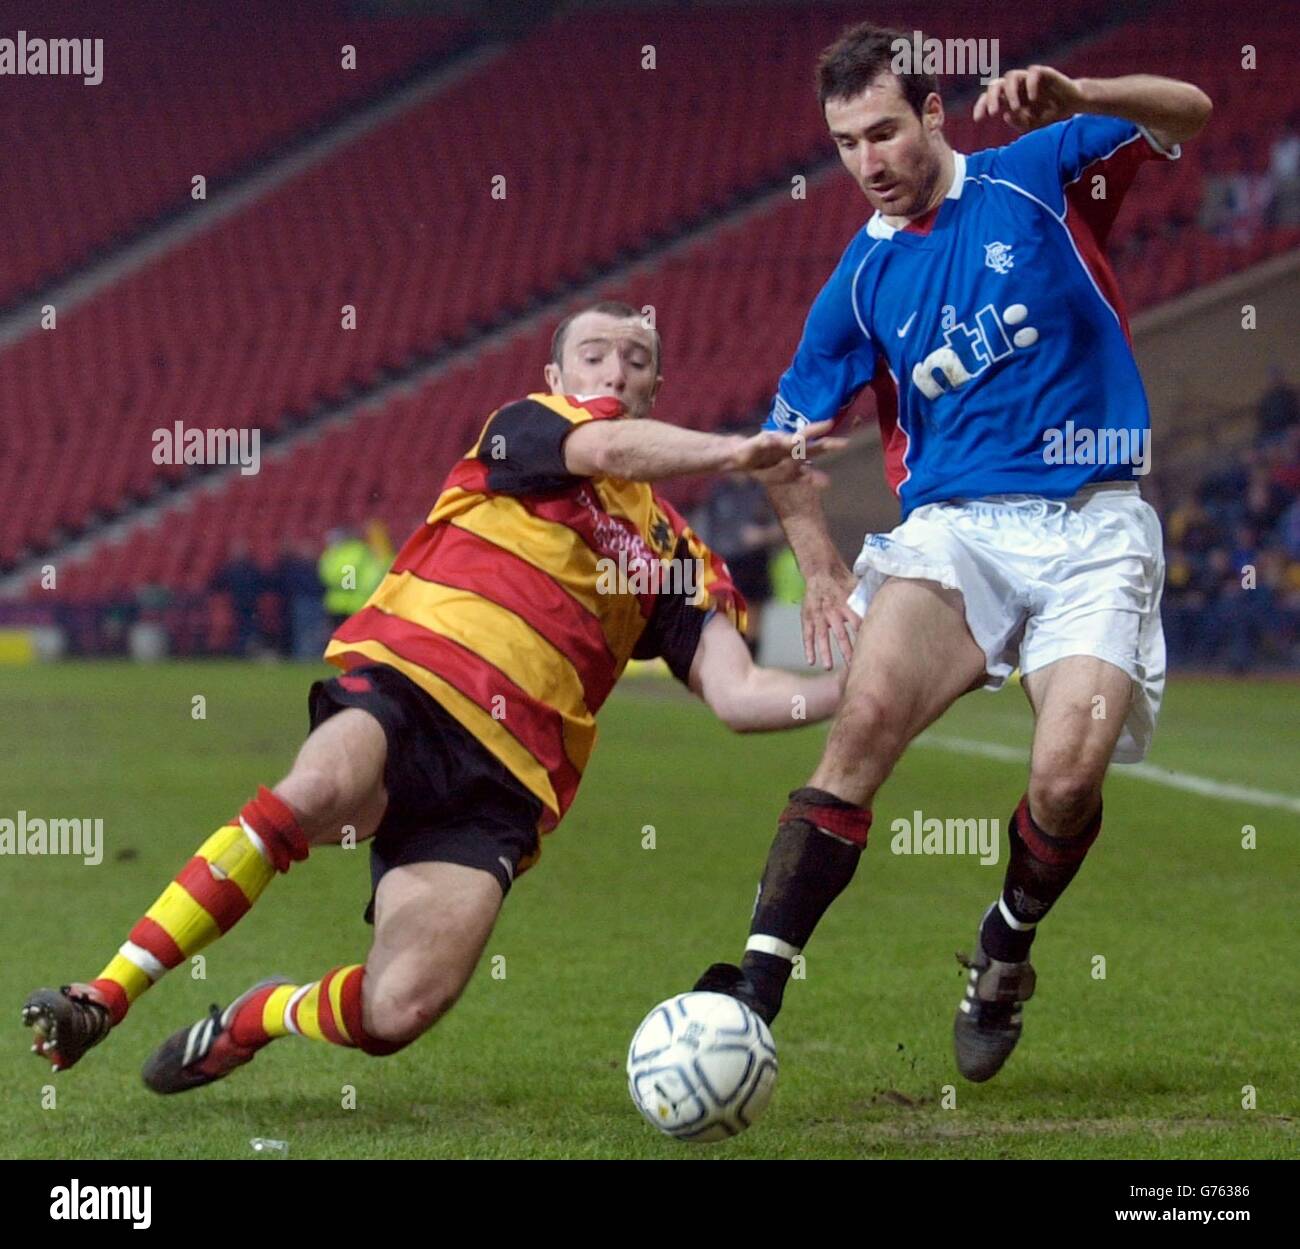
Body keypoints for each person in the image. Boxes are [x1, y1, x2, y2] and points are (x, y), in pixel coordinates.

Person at [21, 301, 845, 1089]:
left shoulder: (679, 555)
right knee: (316, 790)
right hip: (411, 687)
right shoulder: (528, 427)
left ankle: (258, 1014)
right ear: (555, 372)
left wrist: (862, 682)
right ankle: (106, 994)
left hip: (505, 785)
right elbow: (606, 452)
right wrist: (736, 451)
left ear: (657, 391)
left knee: (400, 1007)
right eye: (594, 354)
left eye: (638, 360)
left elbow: (740, 696)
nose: (616, 369)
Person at [691, 22, 1212, 1083]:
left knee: (1065, 780)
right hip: (955, 531)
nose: (867, 161)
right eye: (843, 143)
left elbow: (1190, 110)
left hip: (1093, 524)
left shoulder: (1034, 171)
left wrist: (1077, 92)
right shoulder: (855, 285)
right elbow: (778, 448)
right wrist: (822, 560)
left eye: (883, 130)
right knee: (863, 725)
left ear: (932, 113)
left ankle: (1005, 945)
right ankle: (754, 987)